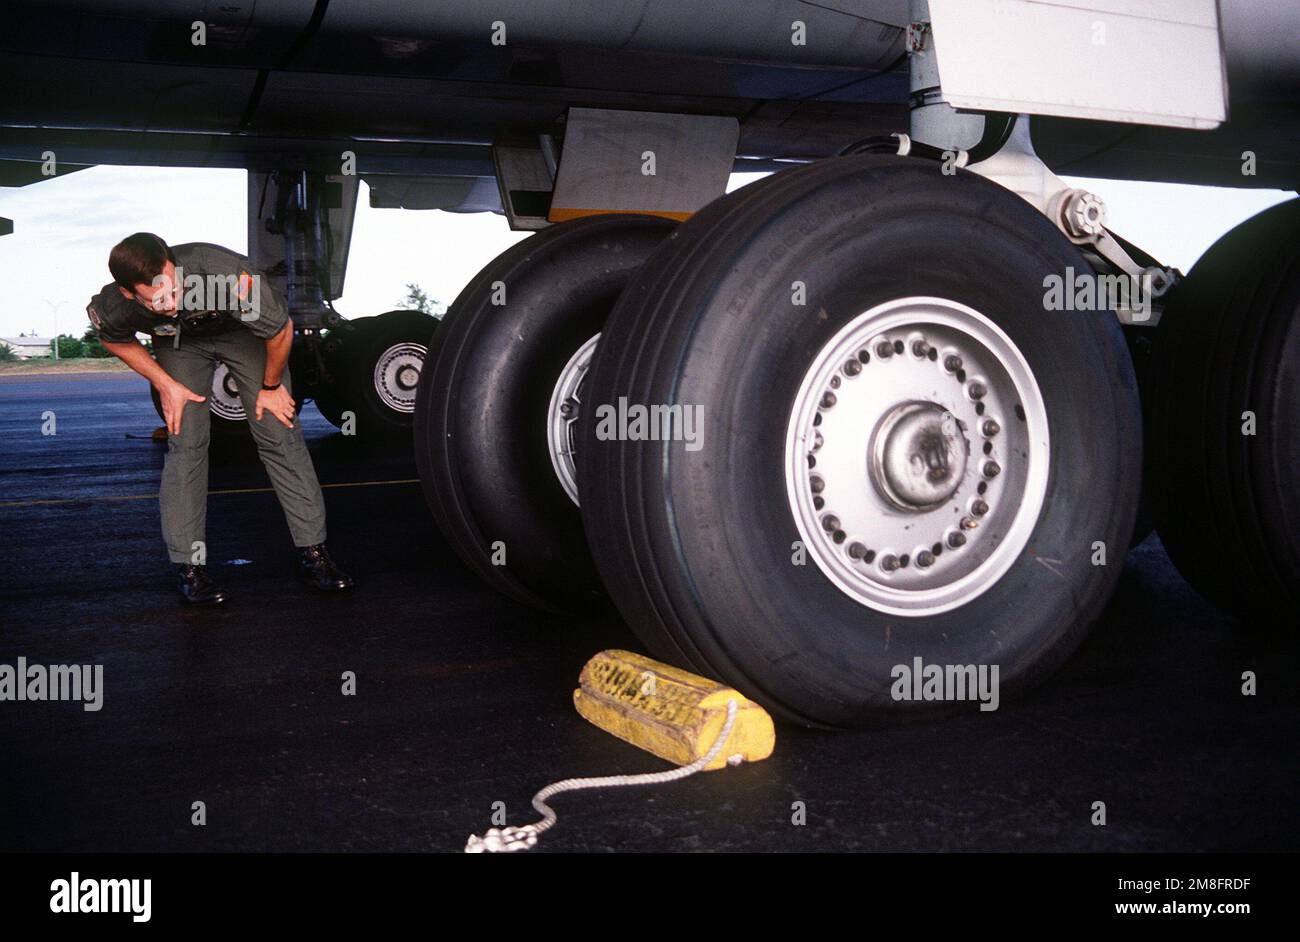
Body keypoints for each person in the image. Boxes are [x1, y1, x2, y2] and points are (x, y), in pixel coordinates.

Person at [86, 233, 354, 604]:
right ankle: (189, 568)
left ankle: (314, 554)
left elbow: (280, 330)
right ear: (130, 293)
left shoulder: (221, 275)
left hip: (242, 333)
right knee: (186, 443)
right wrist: (165, 384)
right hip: (180, 343)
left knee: (280, 434)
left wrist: (272, 386)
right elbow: (112, 338)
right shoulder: (117, 304)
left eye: (175, 288)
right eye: (158, 299)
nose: (172, 300)